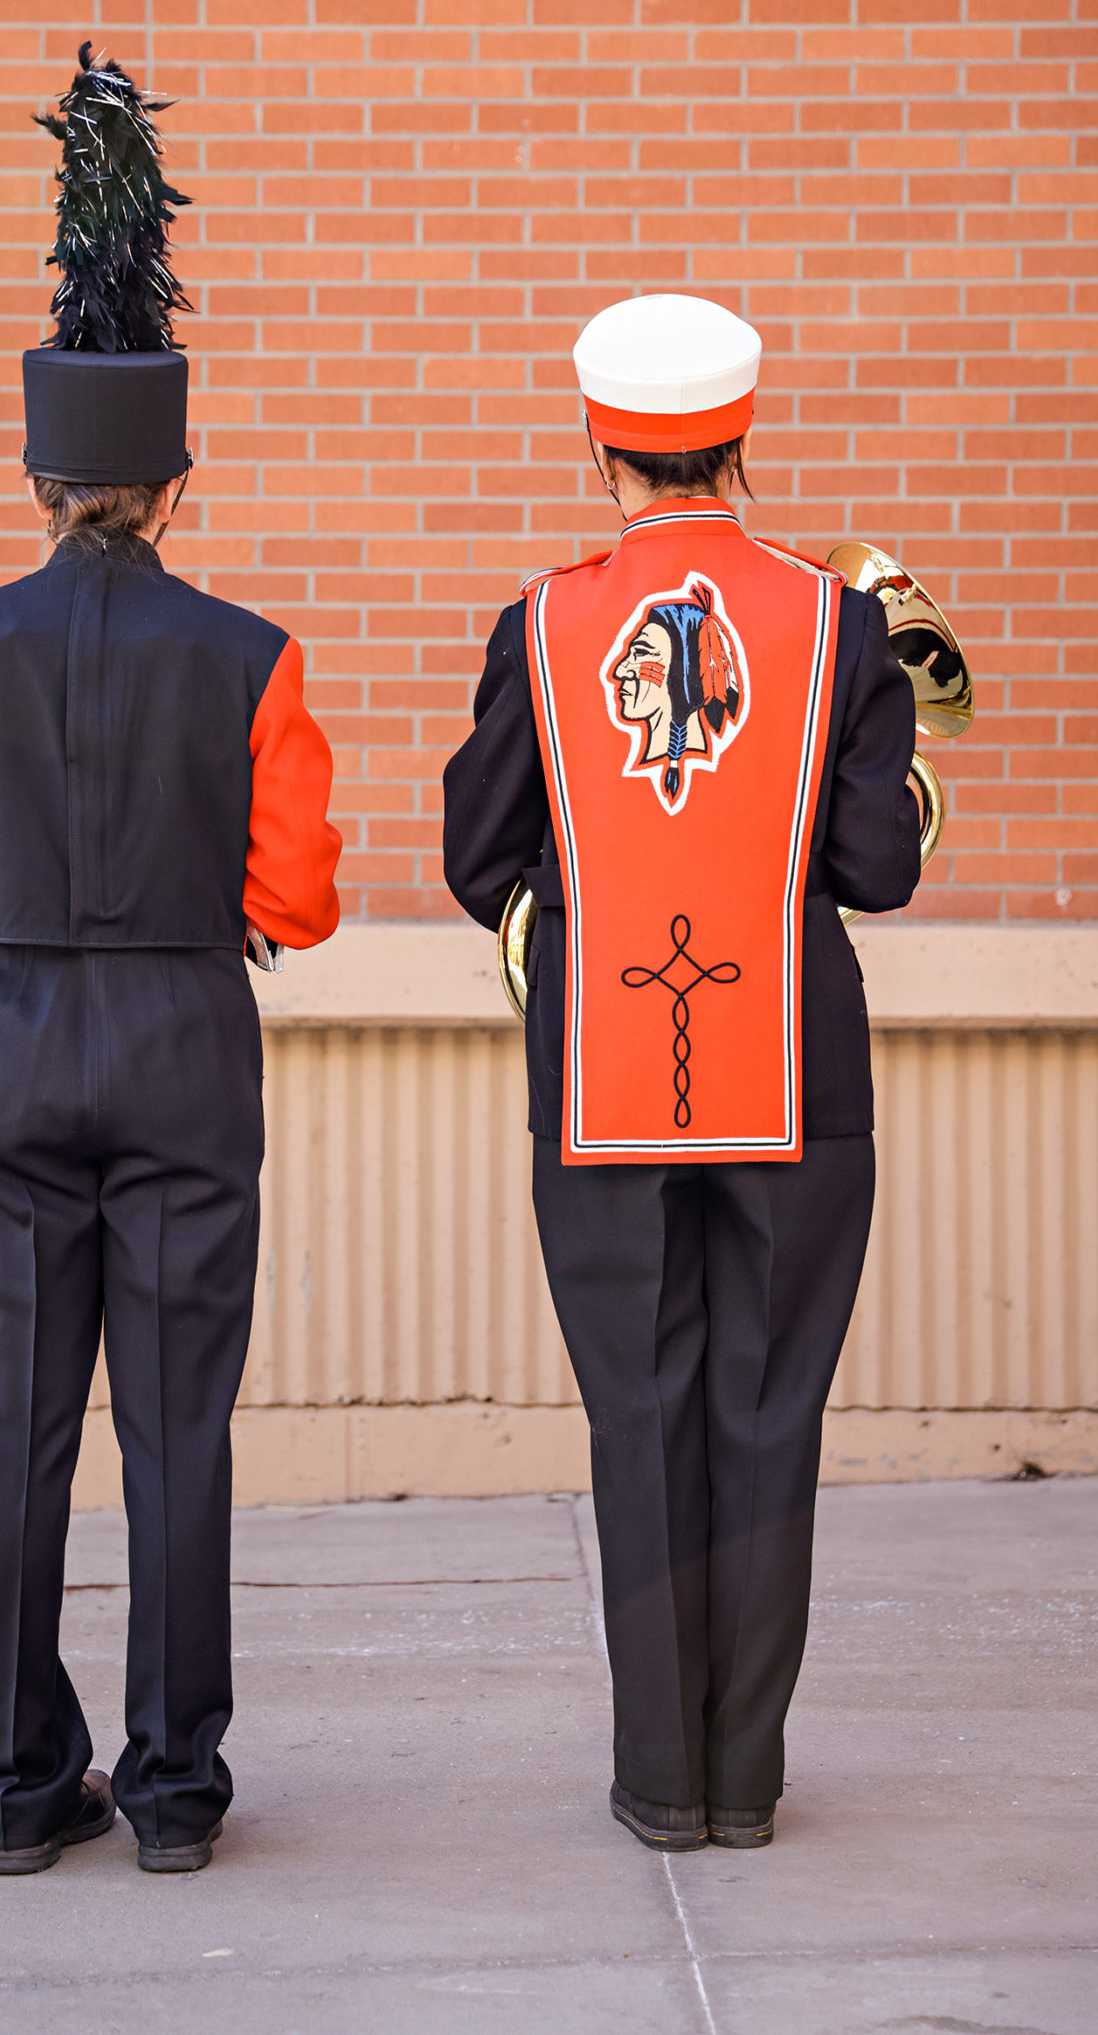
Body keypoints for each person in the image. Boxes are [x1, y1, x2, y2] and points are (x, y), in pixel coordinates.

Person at [0, 44, 341, 1877]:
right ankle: (177, 1790)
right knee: (180, 1435)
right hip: (189, 1061)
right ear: (175, 485)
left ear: (37, 472)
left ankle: (8, 1788)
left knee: (15, 1434)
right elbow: (294, 903)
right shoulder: (250, 651)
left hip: (14, 1049)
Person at [443, 292, 920, 1852]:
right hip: (793, 1064)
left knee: (638, 1409)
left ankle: (662, 1779)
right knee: (767, 1408)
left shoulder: (537, 620)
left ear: (601, 448)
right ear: (741, 439)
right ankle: (746, 1780)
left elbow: (477, 852)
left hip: (602, 1069)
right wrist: (905, 774)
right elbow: (875, 866)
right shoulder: (840, 621)